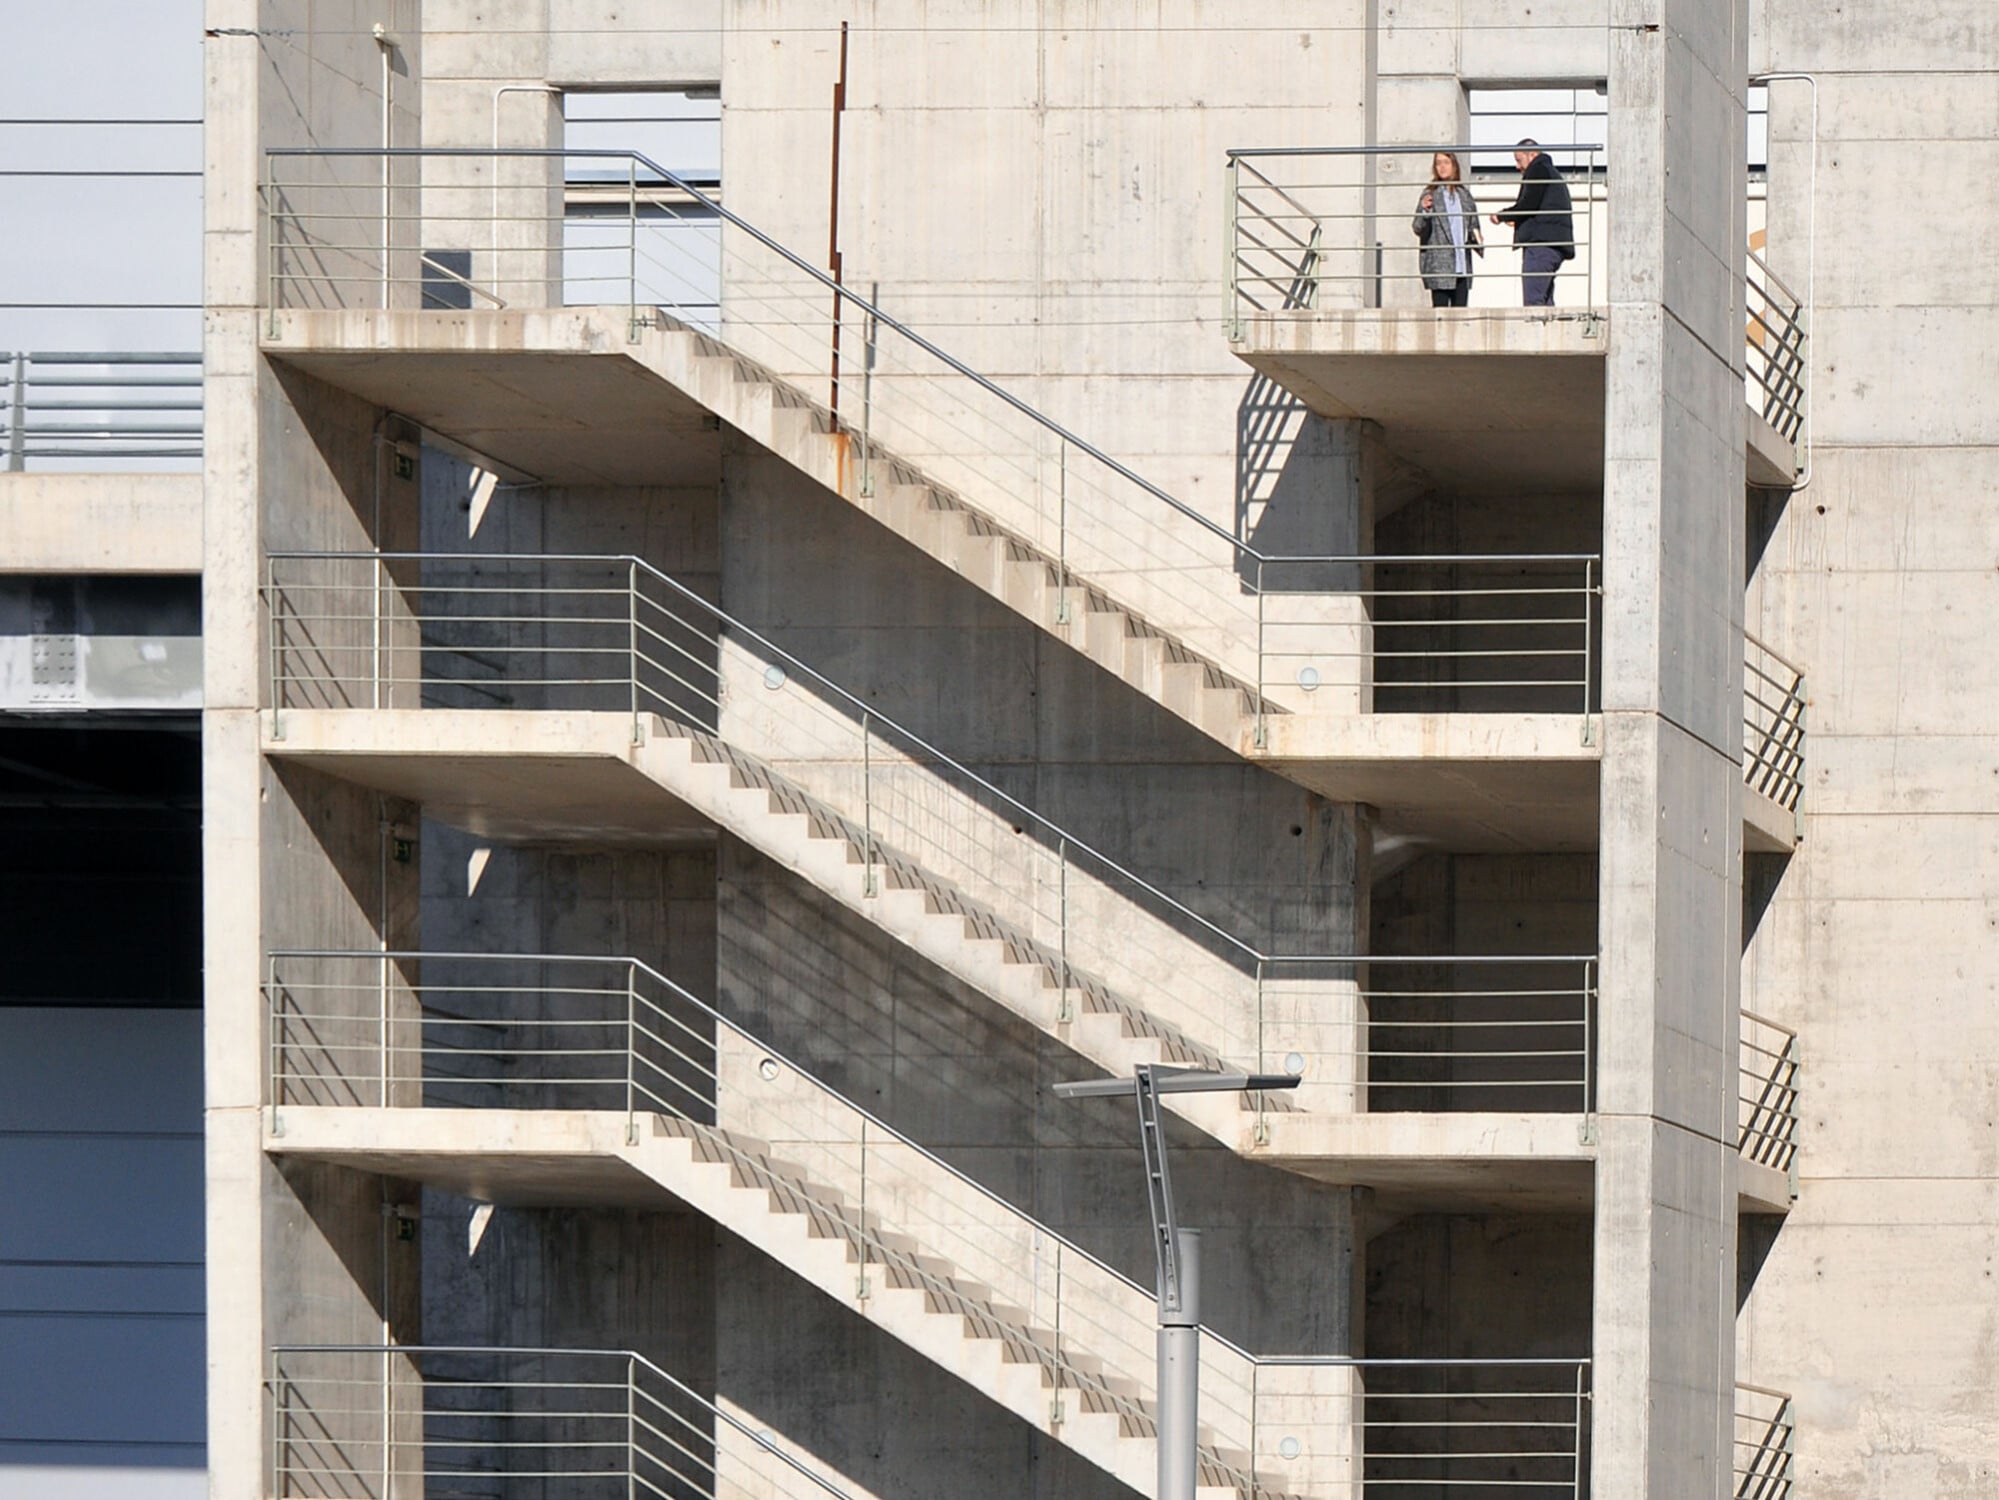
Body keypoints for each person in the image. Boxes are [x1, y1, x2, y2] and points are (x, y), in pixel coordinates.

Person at [1490, 139, 1575, 307]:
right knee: (1544, 301)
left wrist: (1503, 216)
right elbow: (1539, 206)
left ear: (1533, 155)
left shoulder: (1538, 170)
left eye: (1519, 160)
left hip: (1541, 245)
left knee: (1533, 302)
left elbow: (1529, 203)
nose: (1517, 166)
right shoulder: (1550, 172)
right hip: (1551, 245)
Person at [1411, 150, 1482, 307]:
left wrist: (1477, 238)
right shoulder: (1430, 193)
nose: (1442, 167)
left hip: (1462, 265)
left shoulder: (1464, 194)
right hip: (1439, 266)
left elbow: (1474, 225)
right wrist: (1424, 211)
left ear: (1454, 166)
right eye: (1438, 163)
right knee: (1441, 315)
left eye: (1446, 162)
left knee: (1460, 315)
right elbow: (1417, 227)